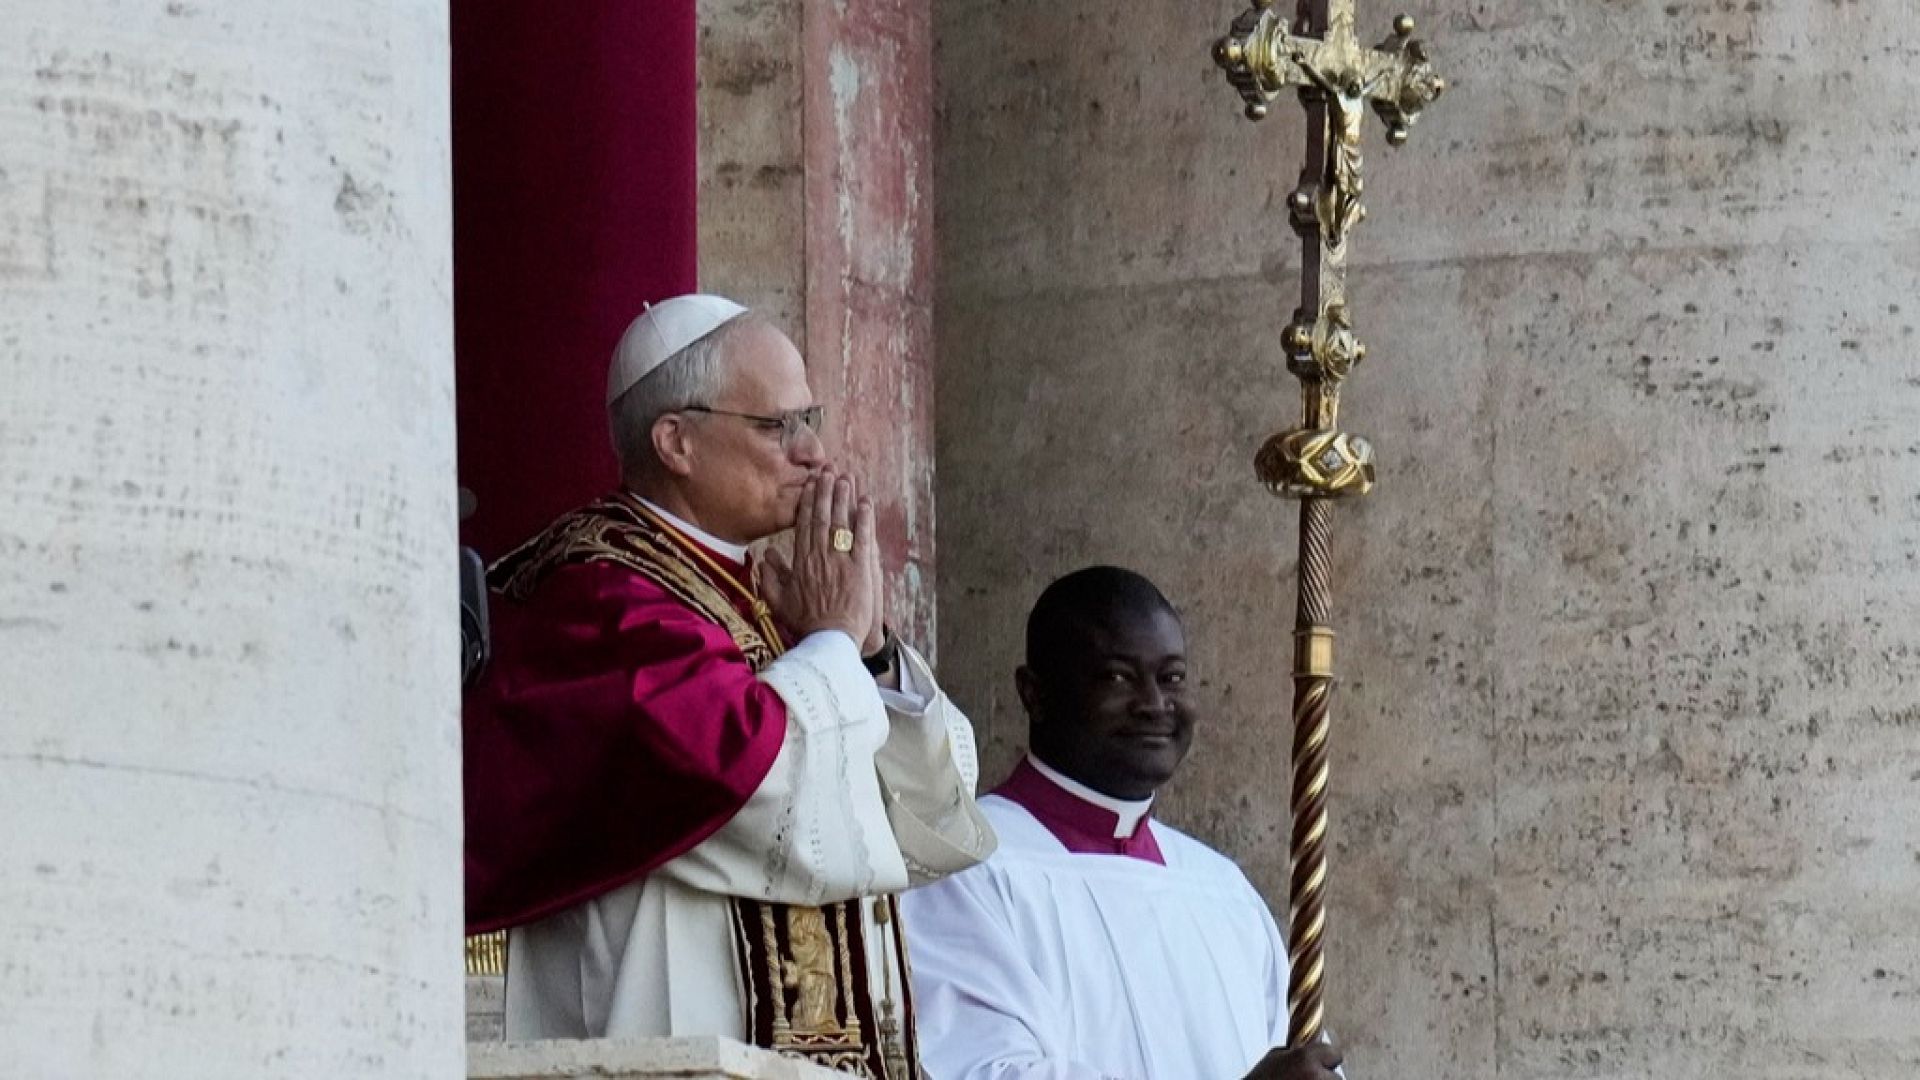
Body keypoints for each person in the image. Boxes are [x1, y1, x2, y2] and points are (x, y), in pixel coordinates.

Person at [463, 294, 995, 1078]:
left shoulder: (774, 600)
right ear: (676, 440)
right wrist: (833, 644)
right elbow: (742, 778)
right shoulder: (599, 592)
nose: (813, 452)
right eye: (778, 426)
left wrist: (872, 649)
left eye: (809, 418)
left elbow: (925, 824)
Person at [901, 566, 1343, 1080]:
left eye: (1171, 678)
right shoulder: (965, 867)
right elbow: (984, 1071)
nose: (1155, 705)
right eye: (1117, 677)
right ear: (1034, 693)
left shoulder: (1221, 889)